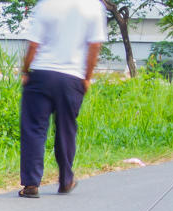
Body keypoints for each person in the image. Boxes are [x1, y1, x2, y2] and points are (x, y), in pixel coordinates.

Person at [19, 0, 107, 198]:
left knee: (34, 129)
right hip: (72, 77)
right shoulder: (94, 6)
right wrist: (87, 77)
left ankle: (31, 185)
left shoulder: (46, 4)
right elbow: (95, 46)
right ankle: (66, 180)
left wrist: (26, 70)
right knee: (66, 129)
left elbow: (34, 44)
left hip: (42, 74)